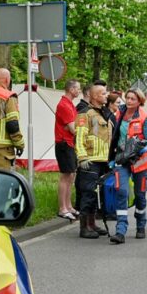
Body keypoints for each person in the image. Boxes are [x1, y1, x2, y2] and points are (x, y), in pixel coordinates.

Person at [108, 88, 147, 243]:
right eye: (127, 98)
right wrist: (111, 158)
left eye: (132, 99)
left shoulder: (144, 117)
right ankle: (120, 230)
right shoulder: (118, 114)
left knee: (140, 195)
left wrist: (141, 150)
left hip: (140, 162)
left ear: (139, 101)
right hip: (122, 159)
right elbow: (114, 136)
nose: (128, 101)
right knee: (121, 191)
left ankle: (141, 224)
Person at [75, 83, 112, 239]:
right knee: (88, 193)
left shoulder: (102, 113)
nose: (106, 95)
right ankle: (84, 228)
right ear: (95, 96)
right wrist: (82, 157)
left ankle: (92, 224)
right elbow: (79, 136)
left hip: (102, 160)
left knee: (96, 194)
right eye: (103, 93)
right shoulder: (85, 113)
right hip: (90, 160)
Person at [55, 79, 82, 220]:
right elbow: (73, 129)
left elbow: (71, 126)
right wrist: (78, 130)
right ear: (71, 89)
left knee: (71, 175)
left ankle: (68, 205)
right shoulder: (64, 105)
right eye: (78, 88)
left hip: (69, 143)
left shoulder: (70, 104)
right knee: (66, 176)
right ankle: (62, 208)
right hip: (64, 144)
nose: (79, 91)